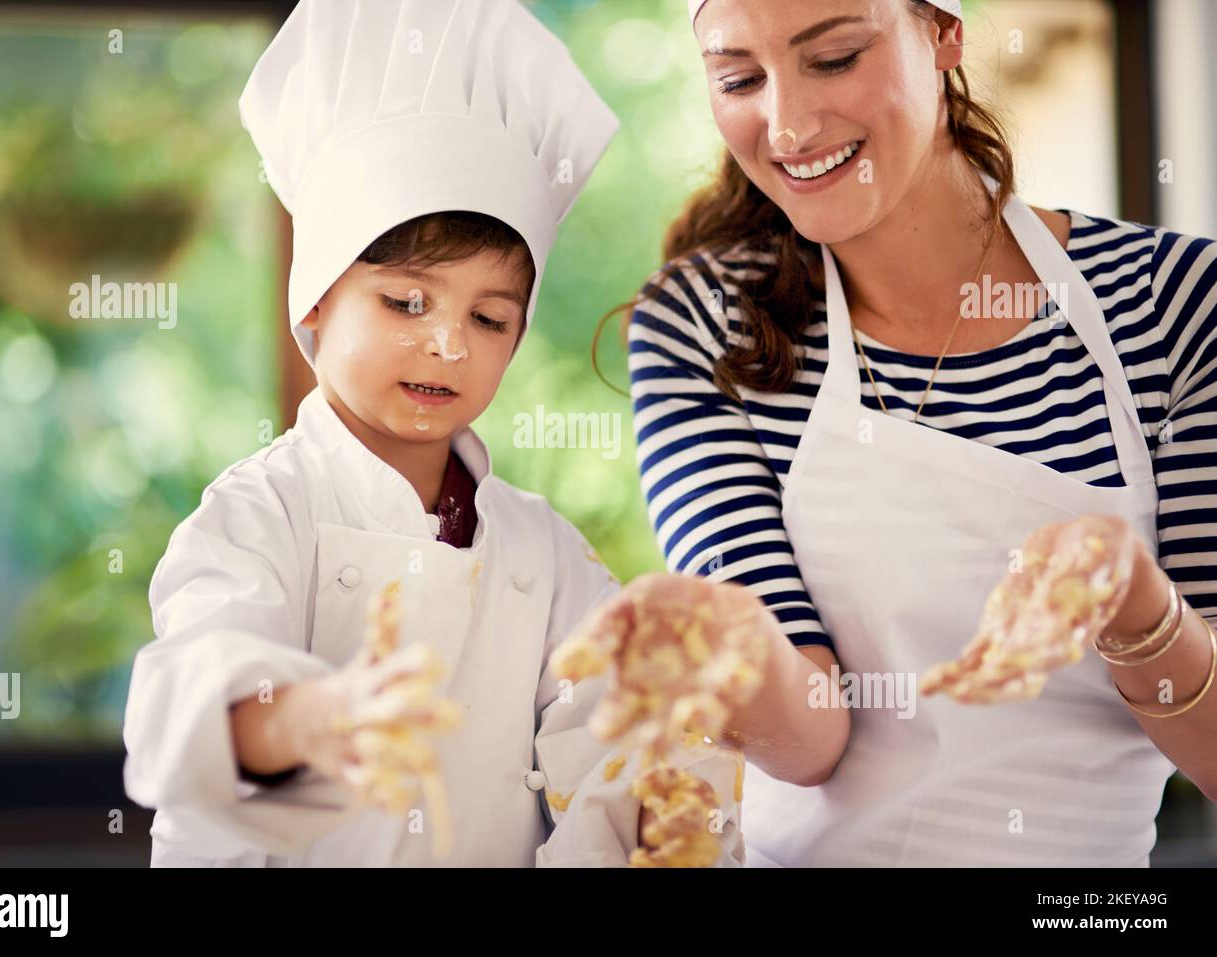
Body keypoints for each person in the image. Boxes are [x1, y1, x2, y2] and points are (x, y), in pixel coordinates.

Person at [122, 0, 745, 868]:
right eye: (406, 301)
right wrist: (308, 718)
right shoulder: (263, 513)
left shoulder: (547, 553)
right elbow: (186, 699)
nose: (448, 343)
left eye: (489, 319)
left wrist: (673, 775)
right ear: (313, 298)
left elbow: (611, 750)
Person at [622, 0, 1217, 865]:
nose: (786, 124)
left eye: (833, 58)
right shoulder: (705, 324)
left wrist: (1138, 608)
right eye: (740, 79)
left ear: (944, 34)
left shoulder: (1178, 305)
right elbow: (810, 742)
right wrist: (724, 648)